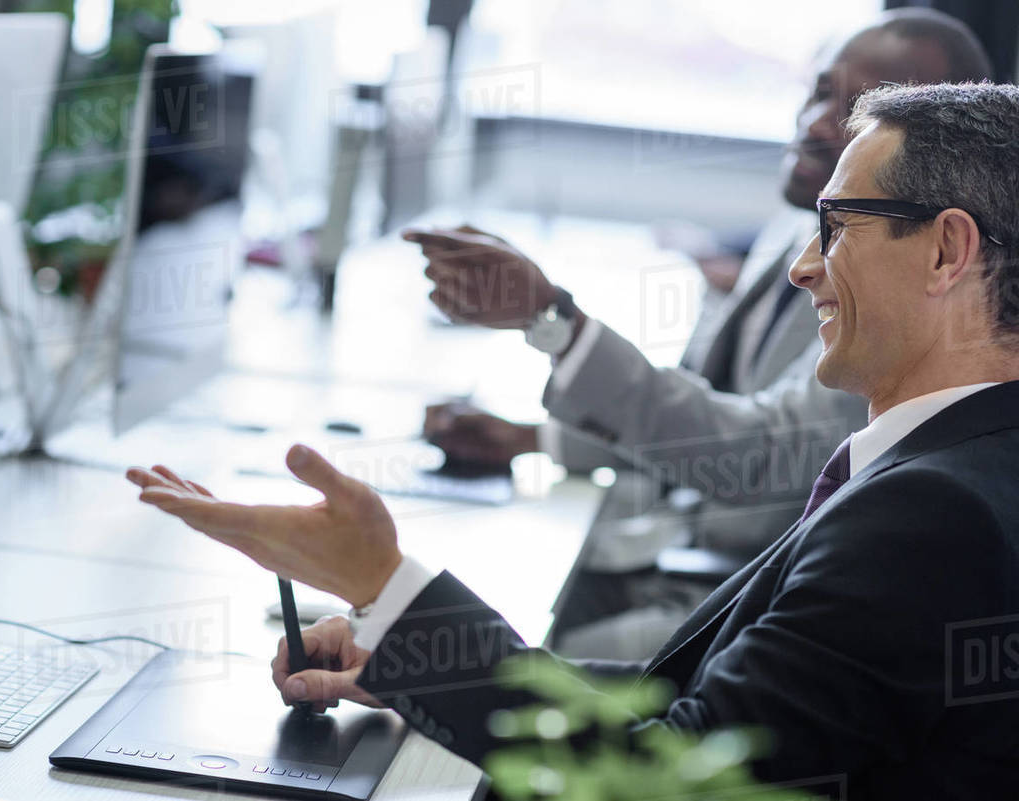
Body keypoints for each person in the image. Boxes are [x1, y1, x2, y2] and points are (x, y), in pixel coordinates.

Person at [129, 81, 1019, 798]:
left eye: (838, 228)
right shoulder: (959, 461)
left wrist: (386, 584)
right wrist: (405, 662)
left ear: (946, 251)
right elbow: (701, 707)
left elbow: (657, 782)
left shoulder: (930, 513)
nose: (802, 266)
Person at [410, 8, 993, 658]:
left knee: (457, 650)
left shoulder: (894, 307)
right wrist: (535, 438)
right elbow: (697, 403)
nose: (817, 122)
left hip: (714, 593)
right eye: (821, 91)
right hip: (660, 544)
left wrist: (553, 321)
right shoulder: (794, 225)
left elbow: (755, 451)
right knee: (448, 591)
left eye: (858, 108)